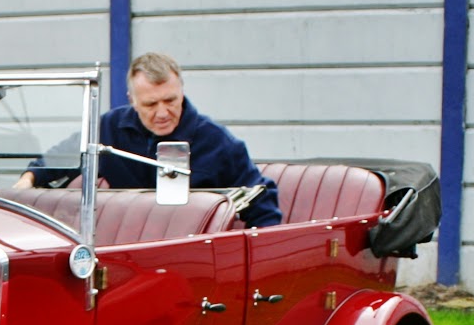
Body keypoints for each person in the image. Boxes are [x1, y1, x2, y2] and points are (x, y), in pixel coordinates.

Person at [17, 52, 281, 227]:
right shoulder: (110, 128)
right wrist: (28, 180)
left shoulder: (217, 142)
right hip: (129, 247)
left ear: (181, 92)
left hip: (193, 254)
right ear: (132, 100)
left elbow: (261, 204)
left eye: (170, 100)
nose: (163, 113)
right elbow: (60, 159)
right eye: (151, 104)